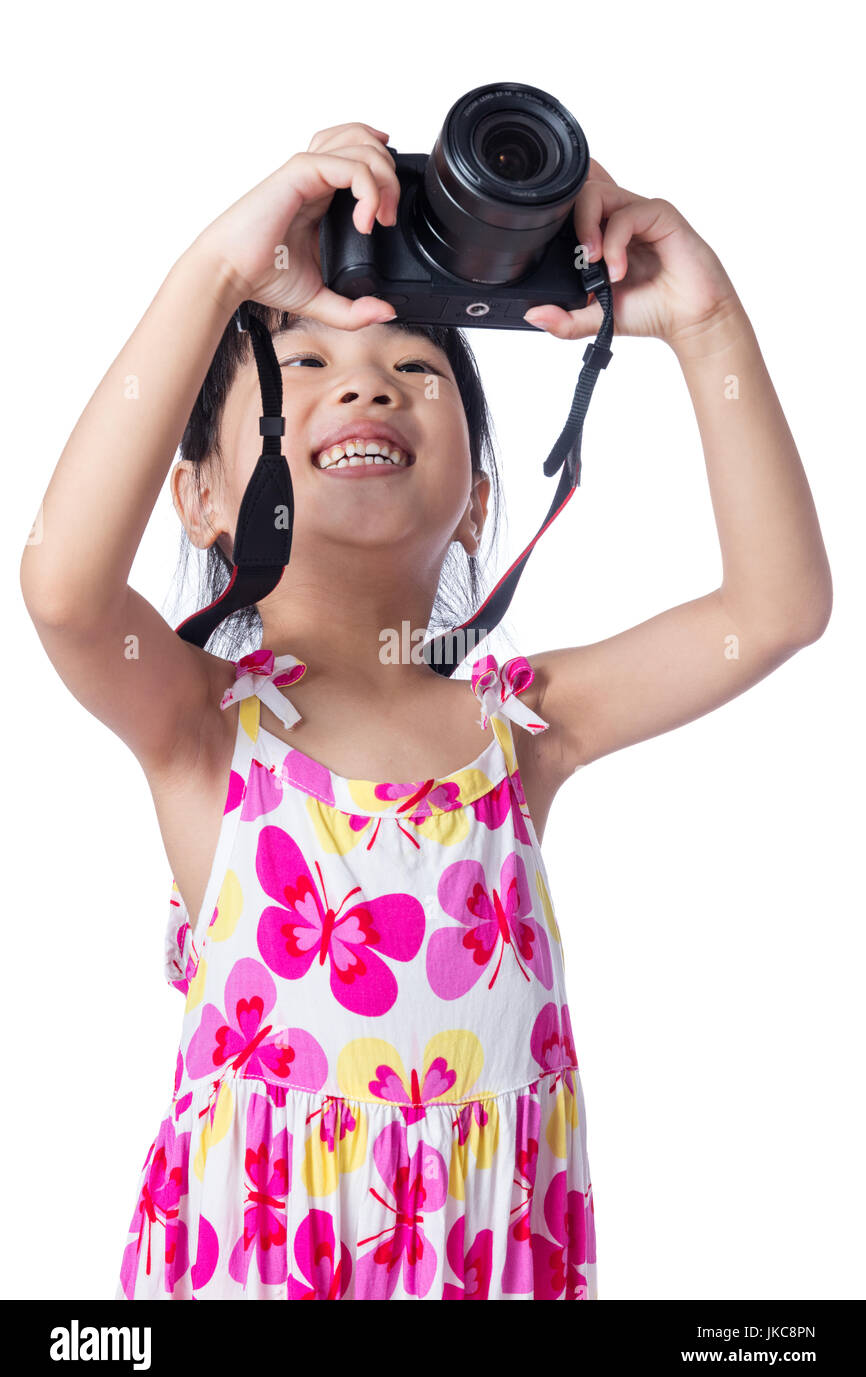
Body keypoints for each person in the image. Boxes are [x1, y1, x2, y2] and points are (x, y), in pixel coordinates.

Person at [19, 120, 832, 1301]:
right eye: (301, 365)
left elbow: (774, 610)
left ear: (475, 502)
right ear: (195, 496)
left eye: (418, 368)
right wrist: (218, 276)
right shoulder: (203, 727)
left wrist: (703, 324)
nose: (364, 378)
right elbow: (63, 587)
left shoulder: (523, 730)